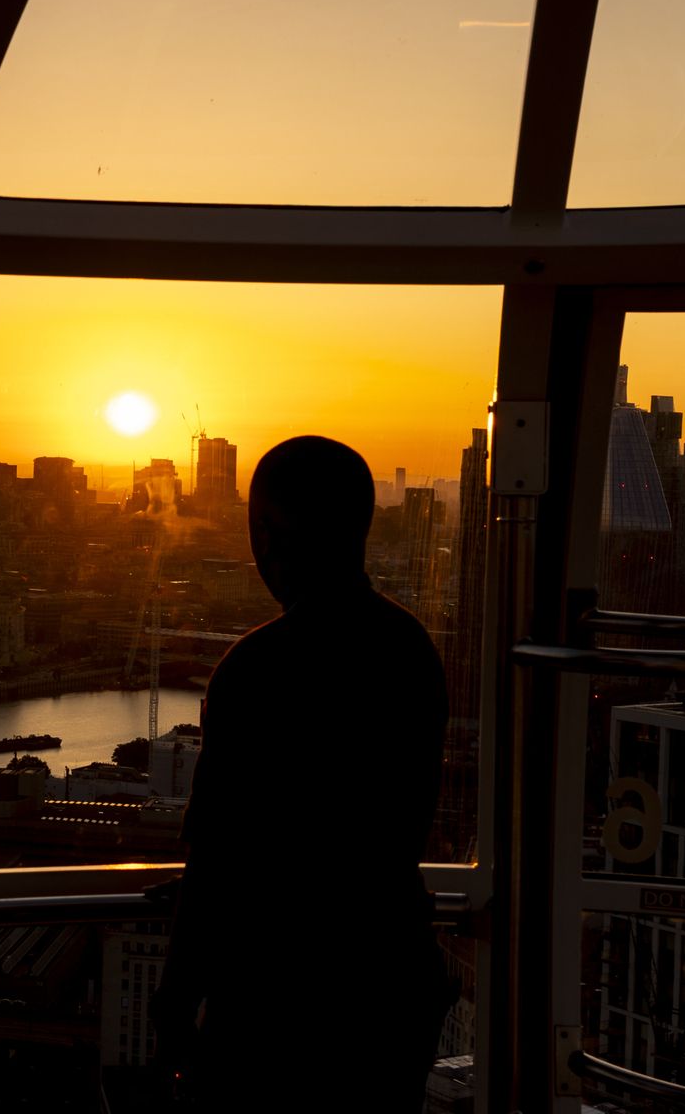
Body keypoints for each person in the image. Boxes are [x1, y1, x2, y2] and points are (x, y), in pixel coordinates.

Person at [153, 436, 452, 1105]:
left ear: (267, 530)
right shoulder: (412, 651)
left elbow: (216, 862)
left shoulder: (257, 669)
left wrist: (175, 1004)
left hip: (278, 999)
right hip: (390, 982)